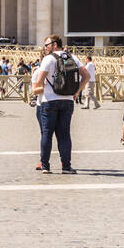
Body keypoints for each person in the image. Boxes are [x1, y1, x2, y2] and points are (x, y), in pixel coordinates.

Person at [29, 34, 86, 174]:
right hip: (67, 100)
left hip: (50, 101)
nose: (46, 47)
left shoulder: (48, 59)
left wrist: (38, 87)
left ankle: (45, 165)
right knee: (65, 134)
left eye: (47, 45)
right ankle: (66, 166)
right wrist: (76, 91)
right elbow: (87, 76)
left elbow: (39, 81)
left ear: (54, 45)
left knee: (47, 134)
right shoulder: (72, 57)